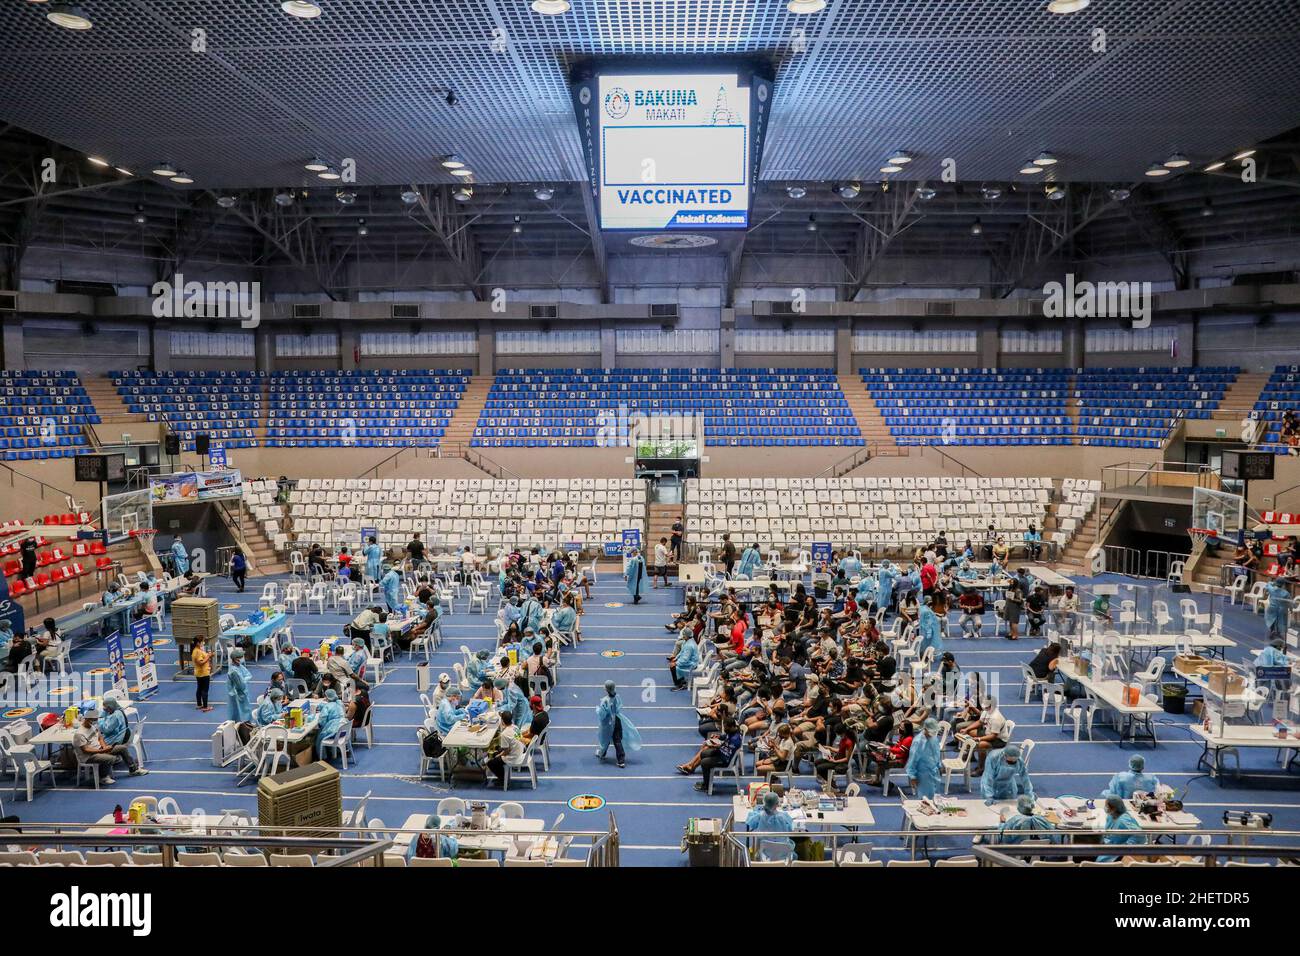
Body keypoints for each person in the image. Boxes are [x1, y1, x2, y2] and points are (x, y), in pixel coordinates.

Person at [73, 706, 145, 783]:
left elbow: (100, 737)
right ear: (87, 719)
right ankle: (103, 777)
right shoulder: (79, 734)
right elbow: (86, 750)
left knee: (122, 748)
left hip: (100, 749)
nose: (96, 721)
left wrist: (104, 746)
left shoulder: (92, 726)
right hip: (89, 756)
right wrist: (101, 751)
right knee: (111, 758)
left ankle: (133, 769)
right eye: (94, 720)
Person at [596, 680, 641, 768]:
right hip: (617, 720)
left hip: (608, 723)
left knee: (605, 738)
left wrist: (598, 710)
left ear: (606, 689)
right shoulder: (617, 697)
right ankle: (621, 760)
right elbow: (619, 706)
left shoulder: (605, 701)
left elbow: (602, 714)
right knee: (617, 740)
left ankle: (602, 753)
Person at [1098, 795, 1146, 862]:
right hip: (1110, 844)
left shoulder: (1123, 820)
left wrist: (1126, 847)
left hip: (1117, 851)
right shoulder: (1111, 815)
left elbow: (1140, 835)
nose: (1105, 808)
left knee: (1101, 861)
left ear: (1114, 808)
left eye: (1107, 806)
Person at [905, 717, 943, 799]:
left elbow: (936, 753)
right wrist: (912, 776)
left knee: (936, 797)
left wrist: (939, 765)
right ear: (925, 729)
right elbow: (912, 759)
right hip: (923, 773)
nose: (933, 733)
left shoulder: (933, 738)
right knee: (924, 799)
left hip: (934, 771)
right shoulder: (918, 742)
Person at [486, 712, 528, 785]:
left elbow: (507, 751)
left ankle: (503, 779)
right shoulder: (515, 727)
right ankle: (503, 775)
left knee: (490, 763)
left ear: (502, 721)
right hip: (520, 750)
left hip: (514, 756)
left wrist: (499, 755)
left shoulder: (504, 734)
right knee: (498, 750)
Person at [226, 647, 253, 725]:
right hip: (238, 693)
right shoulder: (233, 671)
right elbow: (240, 684)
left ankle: (245, 723)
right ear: (235, 659)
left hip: (242, 692)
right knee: (240, 712)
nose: (241, 659)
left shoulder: (239, 666)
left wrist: (244, 680)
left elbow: (248, 674)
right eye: (240, 658)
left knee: (245, 709)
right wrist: (244, 681)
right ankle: (242, 726)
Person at [192, 637, 212, 711]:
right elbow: (200, 662)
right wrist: (208, 656)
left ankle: (199, 704)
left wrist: (208, 657)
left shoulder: (196, 650)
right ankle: (205, 707)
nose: (203, 643)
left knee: (199, 688)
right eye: (202, 641)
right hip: (203, 673)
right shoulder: (198, 652)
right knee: (204, 690)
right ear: (198, 643)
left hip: (199, 672)